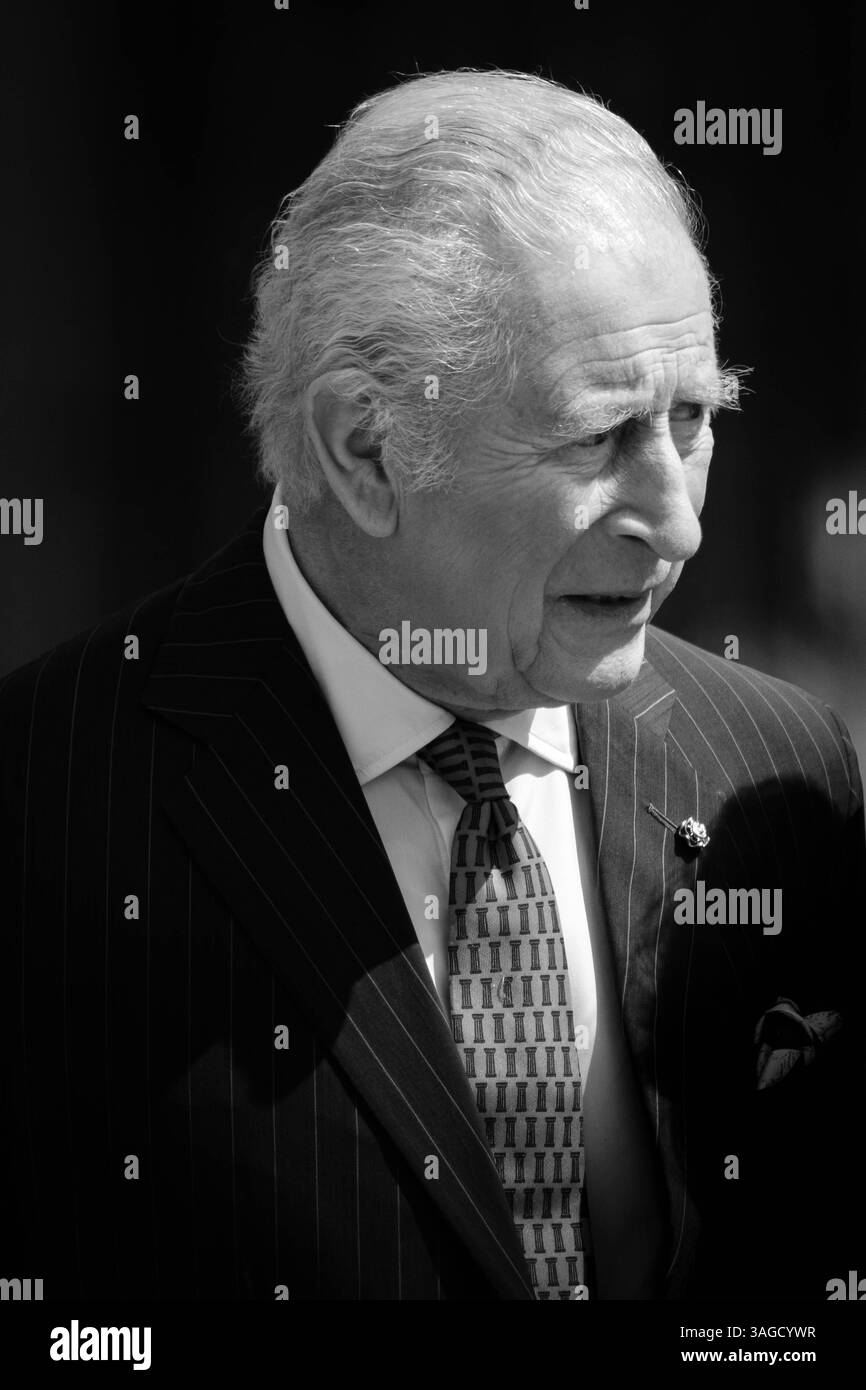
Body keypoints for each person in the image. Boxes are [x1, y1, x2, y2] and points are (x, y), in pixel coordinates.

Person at [1, 69, 863, 1302]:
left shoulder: (772, 771)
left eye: (690, 418)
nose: (675, 524)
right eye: (597, 437)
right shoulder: (46, 799)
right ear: (367, 449)